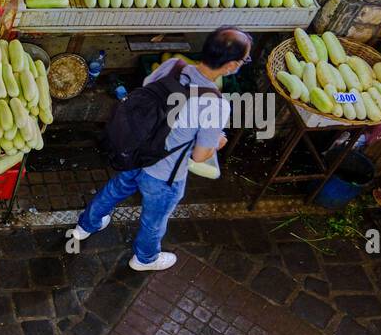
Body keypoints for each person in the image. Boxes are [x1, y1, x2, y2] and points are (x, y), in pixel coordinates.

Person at [69, 27, 251, 272]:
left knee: (113, 191)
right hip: (164, 176)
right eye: (244, 59)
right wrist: (216, 143)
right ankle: (144, 259)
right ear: (230, 66)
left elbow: (147, 94)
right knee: (153, 221)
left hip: (136, 153)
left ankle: (84, 227)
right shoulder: (215, 105)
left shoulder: (174, 66)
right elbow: (199, 155)